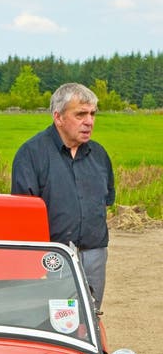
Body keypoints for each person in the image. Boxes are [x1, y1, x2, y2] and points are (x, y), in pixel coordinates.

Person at [11, 83, 115, 311]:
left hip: (94, 254)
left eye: (92, 114)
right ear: (58, 117)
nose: (89, 121)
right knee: (55, 317)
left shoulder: (99, 155)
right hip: (52, 258)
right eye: (80, 114)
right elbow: (23, 217)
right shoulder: (31, 155)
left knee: (91, 316)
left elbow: (106, 201)